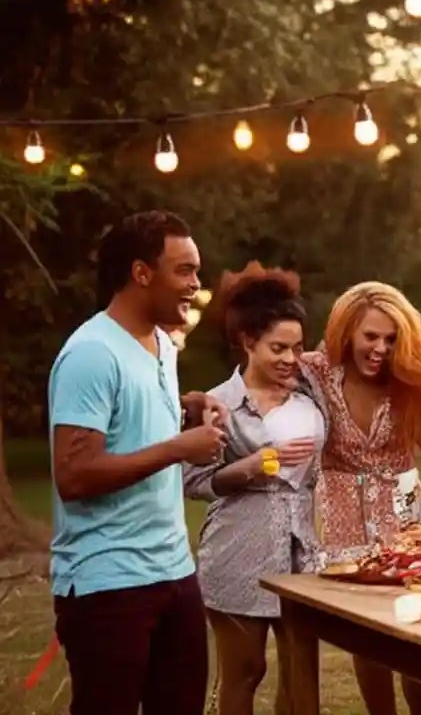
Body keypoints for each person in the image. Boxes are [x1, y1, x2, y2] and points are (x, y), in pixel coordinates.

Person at [47, 210, 228, 715]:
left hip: (173, 570)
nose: (195, 284)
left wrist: (189, 406)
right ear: (141, 273)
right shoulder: (91, 353)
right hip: (108, 582)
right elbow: (73, 475)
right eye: (184, 270)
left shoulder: (162, 344)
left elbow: (135, 416)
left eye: (196, 271)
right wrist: (180, 448)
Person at [298, 282, 421, 715]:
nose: (381, 348)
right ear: (348, 331)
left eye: (391, 339)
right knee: (365, 638)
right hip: (342, 512)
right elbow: (259, 378)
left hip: (403, 512)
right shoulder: (315, 371)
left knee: (417, 633)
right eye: (371, 336)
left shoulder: (411, 378)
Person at [183, 263, 326, 715]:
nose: (290, 359)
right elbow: (194, 482)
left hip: (302, 550)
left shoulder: (311, 394)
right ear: (248, 342)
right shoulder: (218, 404)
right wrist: (255, 464)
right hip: (238, 549)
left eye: (297, 348)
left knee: (303, 673)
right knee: (245, 671)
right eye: (277, 348)